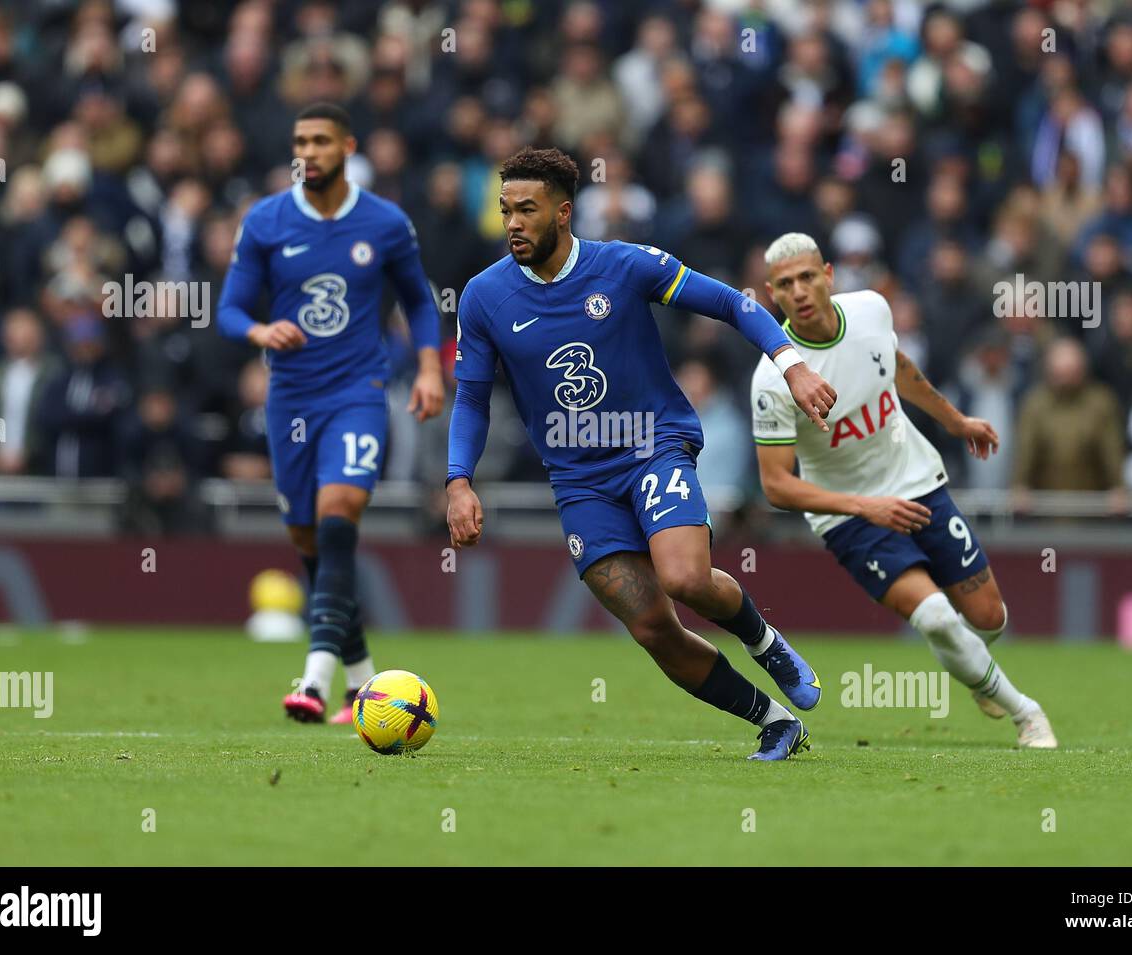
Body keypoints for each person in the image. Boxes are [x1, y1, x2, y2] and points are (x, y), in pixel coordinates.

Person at [446, 148, 838, 761]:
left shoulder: (624, 266)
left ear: (564, 212)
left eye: (527, 210)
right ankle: (774, 721)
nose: (514, 223)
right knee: (652, 626)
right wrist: (458, 480)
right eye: (505, 211)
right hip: (578, 480)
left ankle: (766, 643)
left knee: (685, 577)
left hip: (652, 445)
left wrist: (791, 366)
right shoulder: (483, 297)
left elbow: (732, 303)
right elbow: (471, 398)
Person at [751, 232, 1057, 749]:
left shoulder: (871, 310)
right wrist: (865, 506)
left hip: (918, 482)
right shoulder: (773, 379)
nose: (799, 291)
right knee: (936, 615)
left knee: (990, 617)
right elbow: (777, 485)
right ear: (771, 294)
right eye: (786, 284)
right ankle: (1026, 713)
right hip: (851, 517)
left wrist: (956, 420)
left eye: (807, 277)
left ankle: (978, 672)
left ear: (829, 274)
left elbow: (898, 371)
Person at [218, 102, 444, 723]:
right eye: (300, 141)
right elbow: (229, 309)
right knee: (311, 541)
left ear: (347, 146)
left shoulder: (385, 223)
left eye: (320, 140)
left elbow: (420, 304)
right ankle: (364, 682)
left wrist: (428, 367)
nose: (308, 151)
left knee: (339, 513)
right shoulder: (265, 221)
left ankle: (313, 680)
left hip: (358, 392)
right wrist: (261, 332)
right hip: (290, 399)